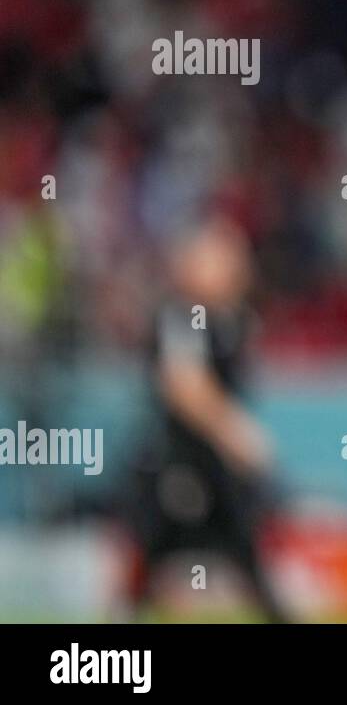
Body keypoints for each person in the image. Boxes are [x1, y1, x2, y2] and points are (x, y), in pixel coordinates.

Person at [127, 216, 287, 621]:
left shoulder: (231, 321)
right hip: (179, 459)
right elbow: (185, 385)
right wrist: (236, 433)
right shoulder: (182, 315)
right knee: (156, 545)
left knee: (244, 549)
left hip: (215, 466)